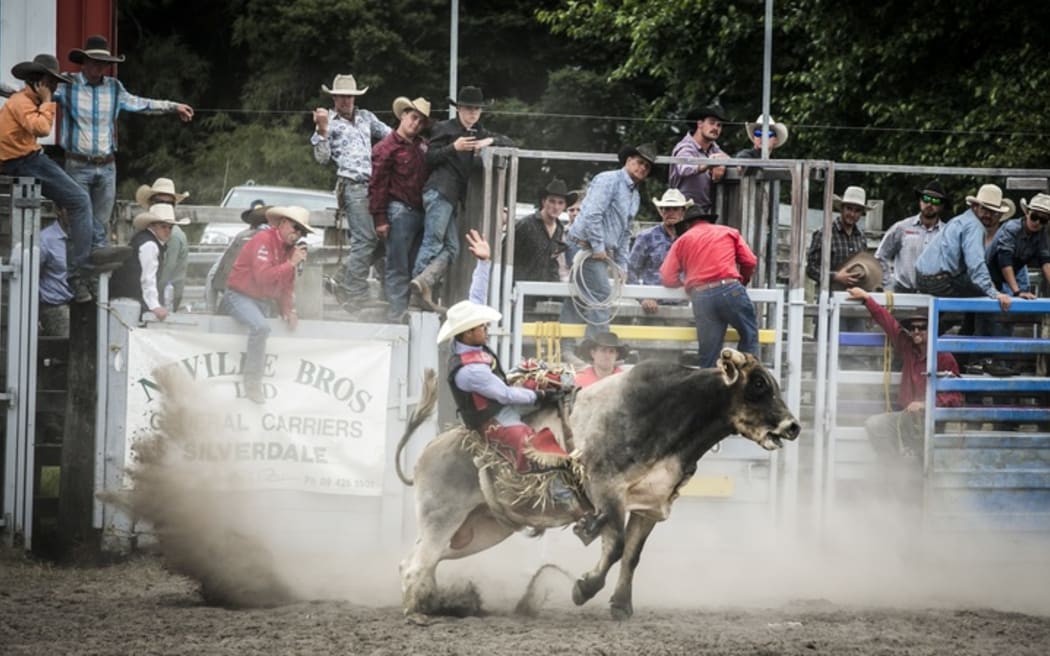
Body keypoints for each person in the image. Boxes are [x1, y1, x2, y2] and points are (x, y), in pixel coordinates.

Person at [439, 228, 599, 544]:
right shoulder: (470, 372)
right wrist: (541, 393)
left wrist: (483, 264)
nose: (486, 327)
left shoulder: (470, 346)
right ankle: (569, 506)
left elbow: (476, 299)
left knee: (540, 371)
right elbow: (506, 395)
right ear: (466, 333)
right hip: (496, 420)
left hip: (502, 397)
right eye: (480, 326)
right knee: (540, 449)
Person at [57, 35, 194, 248]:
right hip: (78, 163)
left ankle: (95, 277)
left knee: (101, 223)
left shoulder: (114, 88)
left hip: (105, 164)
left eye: (102, 62)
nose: (98, 66)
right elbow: (35, 94)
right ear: (83, 62)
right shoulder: (66, 84)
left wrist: (172, 106)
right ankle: (80, 273)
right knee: (81, 221)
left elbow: (142, 104)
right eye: (94, 61)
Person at [0, 54, 94, 303]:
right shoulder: (22, 102)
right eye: (51, 82)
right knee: (80, 200)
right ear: (39, 83)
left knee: (75, 200)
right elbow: (41, 128)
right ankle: (79, 273)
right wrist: (48, 101)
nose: (54, 87)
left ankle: (78, 269)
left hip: (23, 160)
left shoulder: (20, 101)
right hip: (24, 161)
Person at [412, 86, 515, 311]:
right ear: (459, 109)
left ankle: (422, 284)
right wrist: (454, 147)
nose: (473, 113)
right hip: (440, 192)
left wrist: (489, 142)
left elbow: (509, 141)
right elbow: (429, 158)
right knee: (434, 242)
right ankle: (416, 292)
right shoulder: (444, 128)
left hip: (450, 196)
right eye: (469, 108)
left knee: (452, 248)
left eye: (477, 109)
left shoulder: (479, 132)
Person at [845, 287, 962, 466]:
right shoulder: (908, 347)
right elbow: (889, 323)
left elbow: (956, 396)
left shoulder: (944, 357)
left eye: (922, 327)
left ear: (932, 329)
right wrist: (867, 298)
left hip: (931, 419)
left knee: (918, 450)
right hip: (907, 416)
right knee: (874, 424)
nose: (916, 331)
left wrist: (925, 404)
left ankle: (912, 472)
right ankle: (893, 467)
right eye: (913, 327)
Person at [311, 74, 391, 309]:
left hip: (373, 185)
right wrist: (322, 130)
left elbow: (391, 136)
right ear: (334, 98)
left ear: (355, 98)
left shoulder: (366, 117)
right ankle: (355, 293)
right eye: (342, 96)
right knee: (366, 239)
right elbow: (322, 158)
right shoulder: (329, 122)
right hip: (353, 184)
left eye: (350, 96)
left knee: (381, 239)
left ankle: (343, 278)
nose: (346, 100)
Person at [221, 206, 311, 404]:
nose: (298, 234)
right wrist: (291, 264)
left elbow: (287, 285)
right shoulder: (264, 240)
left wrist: (289, 309)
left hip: (258, 301)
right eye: (296, 227)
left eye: (302, 231)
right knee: (261, 327)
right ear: (283, 223)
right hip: (238, 296)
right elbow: (263, 278)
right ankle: (252, 382)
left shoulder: (287, 250)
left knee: (265, 327)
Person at [565, 143, 656, 338]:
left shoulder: (635, 196)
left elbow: (625, 231)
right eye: (640, 162)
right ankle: (599, 346)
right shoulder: (608, 180)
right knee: (602, 294)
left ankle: (572, 347)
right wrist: (598, 246)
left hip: (597, 249)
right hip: (584, 245)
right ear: (629, 160)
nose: (642, 168)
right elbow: (591, 215)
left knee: (581, 297)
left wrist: (622, 264)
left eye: (647, 167)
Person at [660, 206, 759, 368]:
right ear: (708, 220)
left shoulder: (682, 241)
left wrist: (686, 285)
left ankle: (709, 389)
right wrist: (743, 281)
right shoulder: (729, 232)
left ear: (687, 224)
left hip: (701, 295)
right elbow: (750, 261)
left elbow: (666, 276)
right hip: (729, 288)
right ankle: (745, 375)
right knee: (749, 335)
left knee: (708, 353)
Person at [369, 96, 430, 321]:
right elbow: (376, 185)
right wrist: (380, 218)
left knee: (413, 265)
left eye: (421, 121)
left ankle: (404, 311)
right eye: (413, 118)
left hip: (419, 212)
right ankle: (397, 315)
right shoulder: (385, 147)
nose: (416, 124)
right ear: (403, 115)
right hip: (399, 211)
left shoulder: (422, 146)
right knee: (397, 266)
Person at [915, 183, 1013, 312]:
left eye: (993, 212)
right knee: (982, 302)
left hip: (922, 278)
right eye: (985, 209)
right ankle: (968, 330)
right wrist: (994, 292)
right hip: (941, 279)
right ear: (975, 206)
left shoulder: (960, 220)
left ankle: (929, 328)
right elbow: (975, 263)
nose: (988, 215)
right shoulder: (974, 227)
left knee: (969, 294)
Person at [806, 185, 875, 332]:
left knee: (856, 348)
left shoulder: (861, 237)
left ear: (861, 213)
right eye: (849, 209)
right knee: (827, 346)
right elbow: (811, 268)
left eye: (857, 211)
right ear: (842, 209)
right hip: (830, 300)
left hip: (856, 301)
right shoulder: (824, 233)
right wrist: (835, 276)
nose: (852, 214)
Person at [109, 204, 189, 321]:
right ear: (153, 225)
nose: (167, 231)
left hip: (125, 299)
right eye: (163, 226)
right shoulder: (150, 245)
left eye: (170, 227)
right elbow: (148, 278)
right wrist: (155, 306)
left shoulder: (144, 239)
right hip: (126, 301)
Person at [875, 181, 948, 293]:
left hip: (935, 295)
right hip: (902, 291)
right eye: (926, 199)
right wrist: (888, 284)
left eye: (935, 201)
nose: (929, 204)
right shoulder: (902, 228)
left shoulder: (947, 233)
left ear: (942, 206)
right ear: (920, 201)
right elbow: (880, 256)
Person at [628, 188, 693, 314]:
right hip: (652, 306)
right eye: (666, 208)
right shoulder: (646, 237)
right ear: (661, 211)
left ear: (683, 212)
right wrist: (643, 298)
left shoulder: (691, 238)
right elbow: (631, 269)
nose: (670, 212)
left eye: (675, 209)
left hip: (682, 303)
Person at [206, 200, 271, 312]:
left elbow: (213, 275)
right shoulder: (274, 238)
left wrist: (210, 309)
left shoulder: (241, 237)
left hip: (238, 296)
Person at [135, 178, 190, 310]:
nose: (164, 205)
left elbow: (163, 277)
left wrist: (155, 305)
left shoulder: (173, 236)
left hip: (165, 296)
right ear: (151, 203)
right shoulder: (152, 234)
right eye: (160, 202)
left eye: (169, 203)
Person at [987, 193, 1050, 301]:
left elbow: (1045, 262)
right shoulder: (1012, 228)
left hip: (1008, 278)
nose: (1037, 222)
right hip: (988, 276)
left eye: (1043, 220)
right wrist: (1017, 292)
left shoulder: (1041, 234)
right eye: (1034, 217)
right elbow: (1005, 260)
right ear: (1027, 213)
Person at [668, 104, 730, 213]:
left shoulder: (713, 148)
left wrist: (721, 163)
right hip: (681, 211)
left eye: (719, 125)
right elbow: (684, 168)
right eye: (711, 123)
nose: (715, 128)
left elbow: (728, 159)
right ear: (700, 124)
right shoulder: (685, 147)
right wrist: (710, 164)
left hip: (703, 212)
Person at [513, 178, 568, 285]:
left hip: (548, 291)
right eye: (552, 201)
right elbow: (505, 256)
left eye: (560, 203)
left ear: (564, 206)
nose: (556, 207)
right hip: (522, 288)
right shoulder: (526, 224)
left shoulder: (560, 229)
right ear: (543, 202)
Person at [38, 208, 74, 337]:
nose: (75, 213)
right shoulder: (45, 240)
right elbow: (33, 277)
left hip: (79, 304)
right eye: (70, 209)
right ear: (58, 211)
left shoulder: (83, 237)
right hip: (55, 305)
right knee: (69, 343)